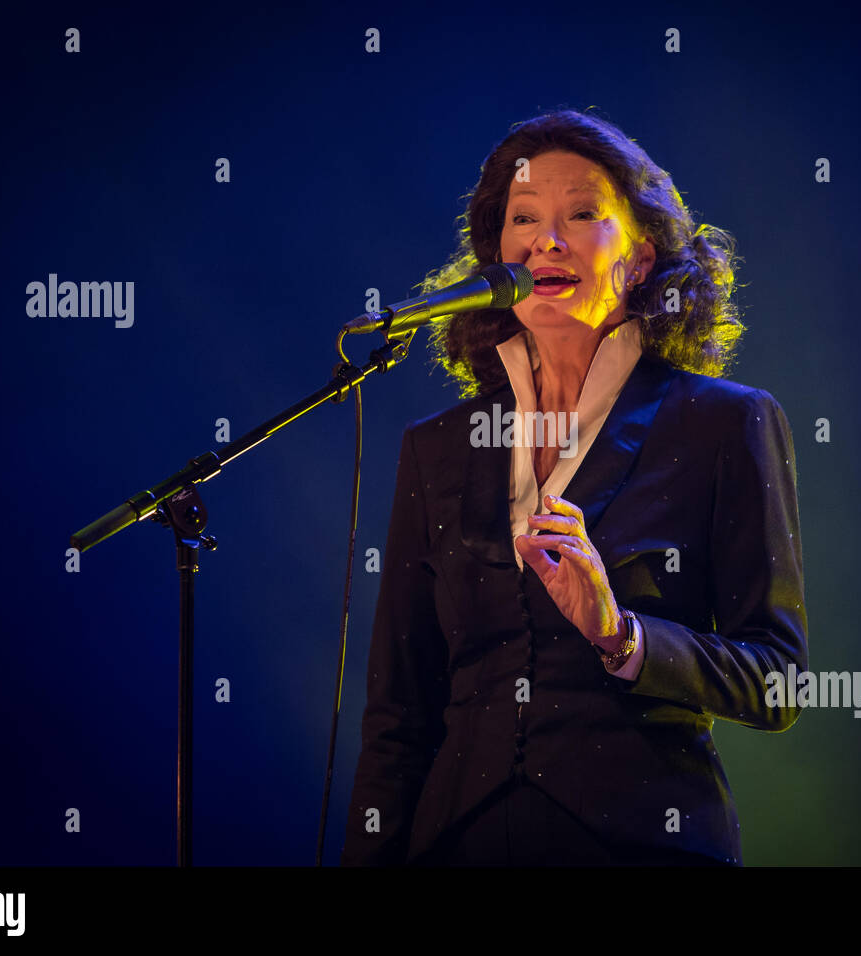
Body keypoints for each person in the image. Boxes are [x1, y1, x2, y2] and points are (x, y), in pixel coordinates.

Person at [341, 108, 808, 866]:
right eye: (523, 218)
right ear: (497, 255)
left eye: (582, 214)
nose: (545, 240)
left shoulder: (725, 425)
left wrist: (621, 635)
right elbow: (399, 714)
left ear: (643, 258)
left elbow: (779, 682)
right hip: (460, 844)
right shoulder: (437, 448)